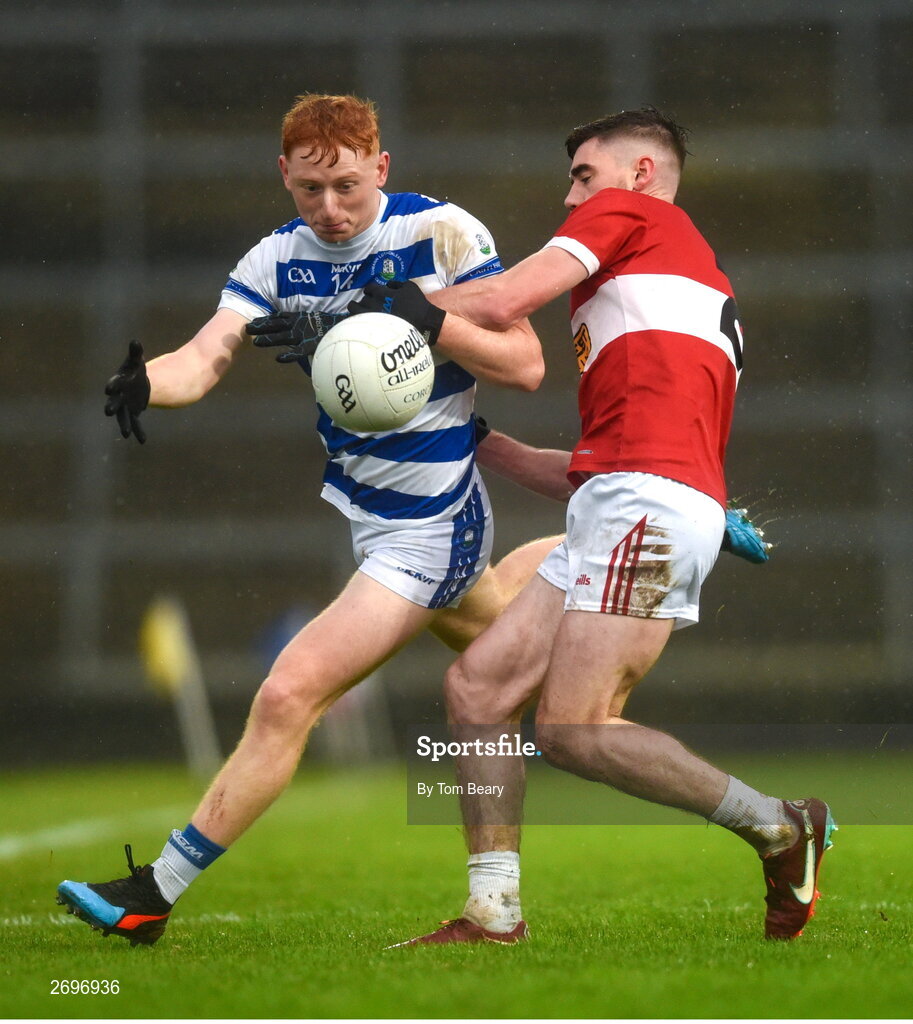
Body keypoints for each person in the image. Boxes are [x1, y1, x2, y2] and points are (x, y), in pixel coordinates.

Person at [54, 92, 557, 946]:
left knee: (289, 693)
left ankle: (152, 894)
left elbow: (527, 364)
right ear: (283, 174)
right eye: (311, 191)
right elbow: (207, 354)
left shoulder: (440, 236)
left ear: (382, 169)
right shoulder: (274, 259)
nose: (330, 210)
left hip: (431, 518)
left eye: (349, 188)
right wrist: (149, 382)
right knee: (500, 633)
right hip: (372, 513)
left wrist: (427, 321)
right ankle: (635, 537)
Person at [353, 108, 834, 945]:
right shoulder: (659, 281)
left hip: (645, 507)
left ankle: (781, 826)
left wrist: (390, 313)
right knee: (478, 690)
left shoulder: (633, 215)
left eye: (583, 174)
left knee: (573, 729)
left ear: (639, 174)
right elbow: (586, 472)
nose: (570, 193)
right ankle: (492, 914)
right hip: (626, 502)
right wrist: (477, 443)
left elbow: (503, 299)